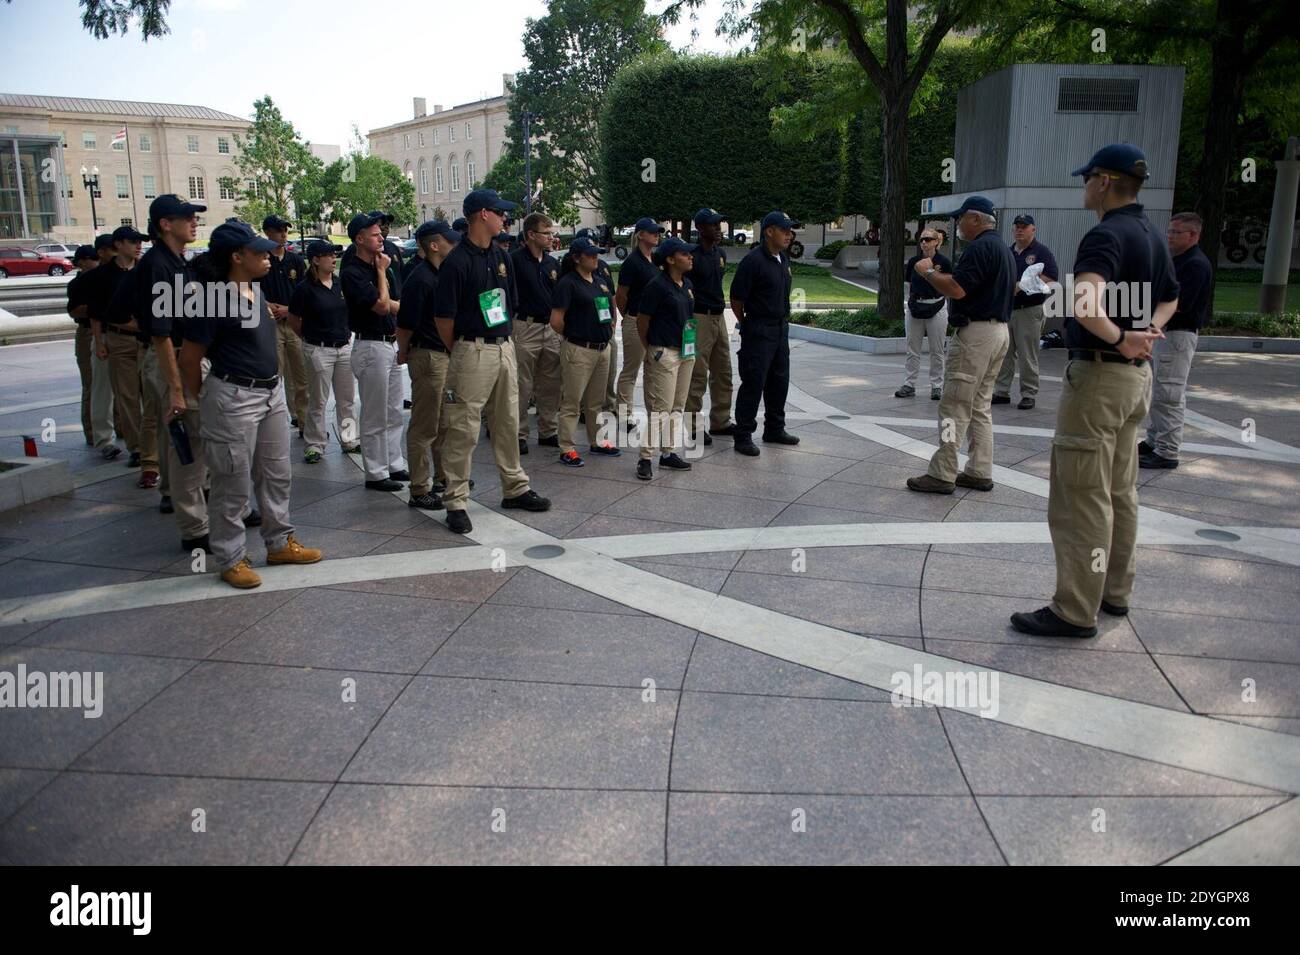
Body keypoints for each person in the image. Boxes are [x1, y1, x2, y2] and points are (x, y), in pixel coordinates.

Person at [1011, 144, 1175, 638]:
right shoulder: (1151, 233)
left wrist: (1123, 338)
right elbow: (1170, 299)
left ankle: (1074, 608)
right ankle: (1114, 592)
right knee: (1119, 490)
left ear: (1104, 181)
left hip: (1102, 376)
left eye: (1087, 179)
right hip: (1134, 381)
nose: (1084, 186)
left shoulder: (1105, 235)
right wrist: (1145, 333)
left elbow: (1084, 306)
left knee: (1080, 494)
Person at [179, 220, 323, 589]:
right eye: (259, 252)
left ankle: (279, 542)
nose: (268, 257)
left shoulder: (255, 293)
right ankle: (231, 557)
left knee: (277, 472)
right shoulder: (210, 299)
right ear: (236, 256)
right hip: (233, 397)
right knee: (232, 481)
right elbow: (189, 358)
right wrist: (200, 400)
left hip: (270, 393)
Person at [431, 188, 551, 534]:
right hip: (472, 349)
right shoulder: (457, 262)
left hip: (504, 346)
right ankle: (455, 500)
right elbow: (444, 319)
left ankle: (515, 487)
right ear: (482, 214)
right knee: (463, 428)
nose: (505, 218)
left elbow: (508, 303)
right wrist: (466, 350)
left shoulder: (501, 256)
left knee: (508, 420)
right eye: (500, 212)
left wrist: (502, 344)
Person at [904, 196, 1015, 494]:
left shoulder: (979, 248)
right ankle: (979, 470)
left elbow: (956, 288)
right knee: (980, 405)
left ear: (976, 219)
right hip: (999, 332)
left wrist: (927, 271)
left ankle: (942, 473)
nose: (956, 223)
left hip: (977, 335)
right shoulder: (1002, 248)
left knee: (953, 405)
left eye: (960, 217)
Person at [117, 194, 211, 545]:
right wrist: (174, 387)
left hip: (179, 353)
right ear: (165, 224)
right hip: (170, 356)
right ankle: (194, 528)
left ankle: (182, 499)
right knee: (186, 441)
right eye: (187, 217)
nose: (194, 222)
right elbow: (158, 331)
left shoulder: (175, 261)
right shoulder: (157, 264)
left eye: (195, 217)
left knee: (186, 437)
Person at [341, 211, 409, 491]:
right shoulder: (353, 271)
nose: (381, 237)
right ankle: (376, 471)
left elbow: (396, 302)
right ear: (359, 238)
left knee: (394, 410)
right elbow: (382, 305)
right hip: (370, 344)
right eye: (374, 234)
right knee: (374, 412)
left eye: (381, 233)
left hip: (390, 341)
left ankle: (394, 462)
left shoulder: (382, 264)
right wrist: (381, 272)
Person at [395, 219, 460, 509]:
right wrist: (403, 352)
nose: (454, 243)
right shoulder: (420, 279)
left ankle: (444, 477)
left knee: (445, 421)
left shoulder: (443, 273)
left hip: (445, 356)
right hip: (428, 356)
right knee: (425, 425)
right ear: (434, 245)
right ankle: (420, 488)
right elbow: (405, 324)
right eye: (448, 240)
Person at [1140, 211, 1212, 469]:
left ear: (1193, 235)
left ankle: (1167, 451)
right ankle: (1154, 440)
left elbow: (1179, 305)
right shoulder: (1178, 260)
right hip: (1165, 332)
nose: (1169, 236)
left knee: (1169, 392)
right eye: (1168, 231)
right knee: (1158, 390)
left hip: (1178, 334)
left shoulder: (1195, 264)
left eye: (1175, 232)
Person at [730, 210, 801, 456]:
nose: (789, 235)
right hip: (759, 329)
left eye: (791, 230)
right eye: (784, 230)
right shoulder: (753, 261)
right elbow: (737, 298)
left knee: (779, 381)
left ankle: (774, 428)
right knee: (754, 382)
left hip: (780, 328)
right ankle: (744, 434)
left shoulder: (783, 259)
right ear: (769, 231)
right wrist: (748, 324)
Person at [85, 224, 151, 479]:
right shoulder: (102, 276)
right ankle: (136, 447)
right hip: (120, 341)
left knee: (152, 396)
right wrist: (100, 344)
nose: (138, 246)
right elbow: (95, 313)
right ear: (118, 244)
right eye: (133, 241)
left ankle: (153, 446)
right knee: (127, 396)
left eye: (140, 241)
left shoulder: (144, 270)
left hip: (145, 339)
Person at [286, 240, 359, 464]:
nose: (333, 258)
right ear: (315, 260)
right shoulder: (305, 288)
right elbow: (293, 320)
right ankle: (315, 445)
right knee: (317, 401)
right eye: (328, 255)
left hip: (344, 347)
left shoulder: (340, 284)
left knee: (346, 400)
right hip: (318, 349)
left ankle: (350, 440)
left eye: (334, 254)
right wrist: (309, 340)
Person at [551, 236, 620, 467]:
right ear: (576, 258)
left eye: (596, 253)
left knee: (595, 401)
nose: (595, 257)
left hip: (602, 348)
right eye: (590, 254)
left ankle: (597, 441)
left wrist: (609, 327)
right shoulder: (568, 283)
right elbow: (556, 320)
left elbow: (609, 307)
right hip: (579, 349)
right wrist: (575, 335)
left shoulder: (599, 280)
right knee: (572, 401)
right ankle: (567, 448)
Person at [634, 236, 698, 480]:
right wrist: (651, 348)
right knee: (662, 408)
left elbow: (689, 318)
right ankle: (645, 457)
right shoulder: (657, 285)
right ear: (671, 259)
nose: (690, 257)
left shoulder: (687, 284)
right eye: (685, 254)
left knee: (677, 406)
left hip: (685, 352)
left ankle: (668, 452)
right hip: (665, 352)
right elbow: (643, 320)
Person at [993, 214, 1059, 410]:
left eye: (1024, 226)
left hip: (1030, 310)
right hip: (1007, 309)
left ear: (1033, 229)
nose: (1020, 230)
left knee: (1027, 354)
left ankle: (1029, 393)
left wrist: (1024, 285)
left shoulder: (1041, 252)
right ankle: (1001, 391)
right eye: (1017, 226)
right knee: (1004, 353)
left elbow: (1051, 278)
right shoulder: (1008, 251)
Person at [510, 212, 562, 455]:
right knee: (522, 383)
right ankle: (519, 433)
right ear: (531, 234)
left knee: (550, 382)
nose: (551, 237)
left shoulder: (552, 264)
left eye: (552, 232)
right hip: (525, 326)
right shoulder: (514, 261)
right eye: (546, 233)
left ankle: (548, 430)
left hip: (549, 328)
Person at [684, 208, 737, 445]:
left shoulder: (720, 253)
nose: (718, 229)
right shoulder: (691, 255)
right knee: (697, 374)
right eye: (714, 225)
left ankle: (721, 421)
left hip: (718, 317)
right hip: (698, 318)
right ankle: (693, 426)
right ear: (700, 228)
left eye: (719, 225)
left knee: (723, 372)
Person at [259, 214, 310, 435]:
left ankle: (304, 421)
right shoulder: (262, 261)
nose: (283, 235)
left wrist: (289, 309)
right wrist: (269, 306)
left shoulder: (295, 261)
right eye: (279, 230)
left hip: (293, 321)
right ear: (268, 232)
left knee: (300, 374)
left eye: (285, 230)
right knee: (276, 374)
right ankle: (278, 421)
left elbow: (306, 291)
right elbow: (250, 291)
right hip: (270, 324)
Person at [67, 244, 119, 458]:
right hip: (90, 332)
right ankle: (95, 435)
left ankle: (122, 429)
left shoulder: (121, 275)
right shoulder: (82, 282)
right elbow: (75, 310)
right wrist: (104, 308)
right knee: (93, 385)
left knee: (123, 388)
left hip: (116, 333)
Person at [614, 218, 664, 430]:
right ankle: (624, 414)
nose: (657, 235)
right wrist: (628, 316)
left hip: (652, 321)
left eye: (658, 232)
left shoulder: (654, 259)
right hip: (635, 319)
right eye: (652, 232)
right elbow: (621, 295)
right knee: (631, 369)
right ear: (641, 234)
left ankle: (654, 411)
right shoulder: (633, 262)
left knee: (652, 368)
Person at [895, 225, 952, 400]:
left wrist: (931, 272)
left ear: (936, 242)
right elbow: (910, 284)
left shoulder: (944, 262)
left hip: (936, 305)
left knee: (937, 349)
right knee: (912, 348)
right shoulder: (913, 262)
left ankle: (937, 386)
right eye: (922, 239)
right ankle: (909, 384)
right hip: (915, 306)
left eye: (928, 239)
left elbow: (948, 284)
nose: (924, 243)